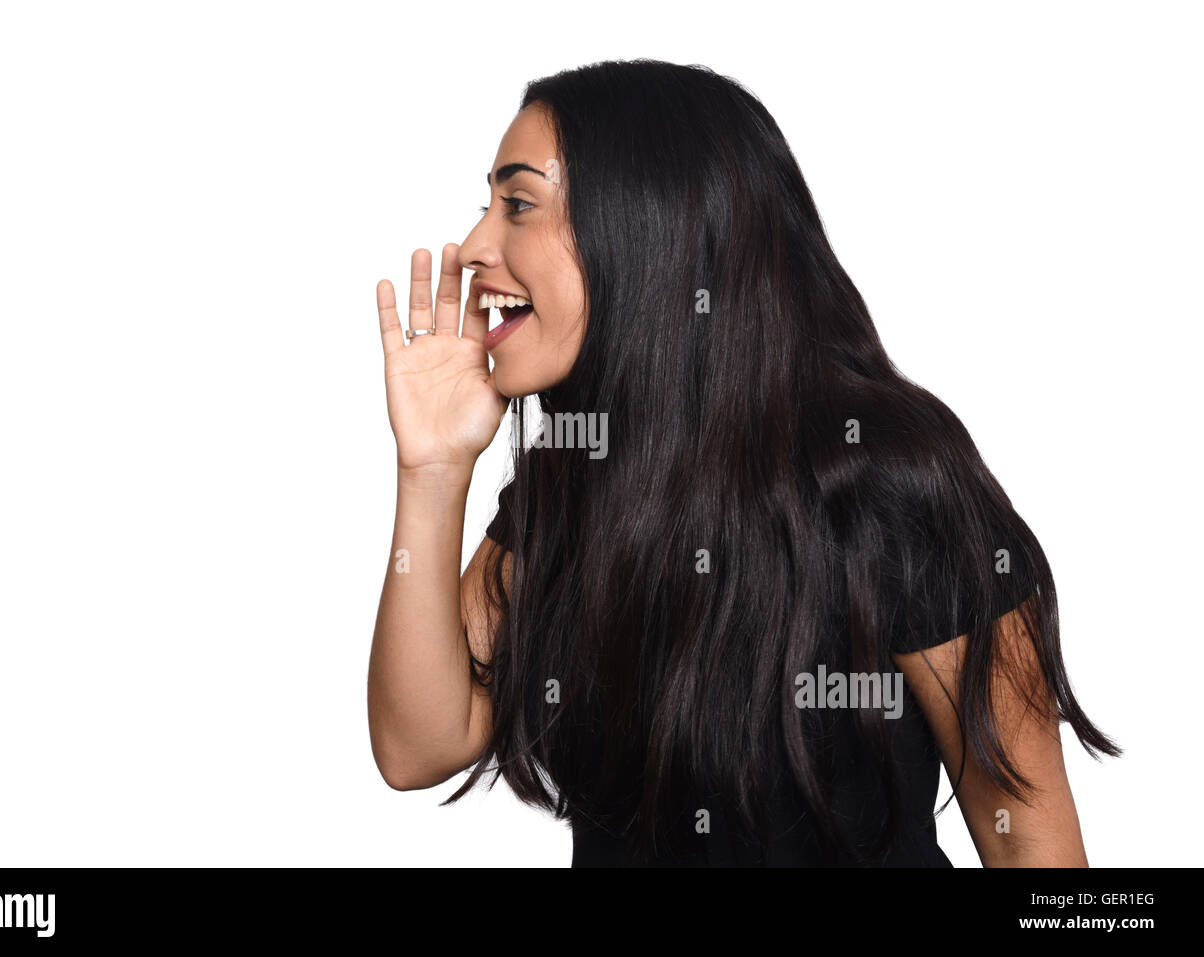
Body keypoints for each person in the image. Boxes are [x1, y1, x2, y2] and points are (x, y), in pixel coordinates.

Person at [368, 58, 1120, 866]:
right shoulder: (572, 477)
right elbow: (419, 747)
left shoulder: (892, 481)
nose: (474, 245)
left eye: (518, 204)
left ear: (650, 223)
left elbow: (1032, 845)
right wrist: (432, 472)